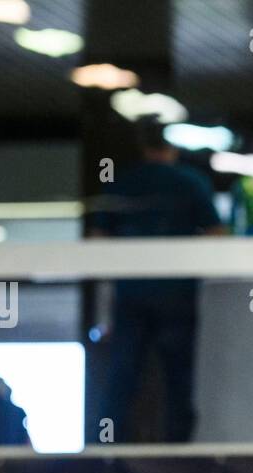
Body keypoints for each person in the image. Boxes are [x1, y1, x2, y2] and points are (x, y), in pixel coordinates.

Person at [90, 120, 225, 443]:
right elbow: (217, 236)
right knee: (179, 379)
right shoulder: (191, 182)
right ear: (172, 146)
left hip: (131, 293)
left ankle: (108, 449)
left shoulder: (122, 183)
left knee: (122, 378)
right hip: (176, 293)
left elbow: (97, 239)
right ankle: (179, 453)